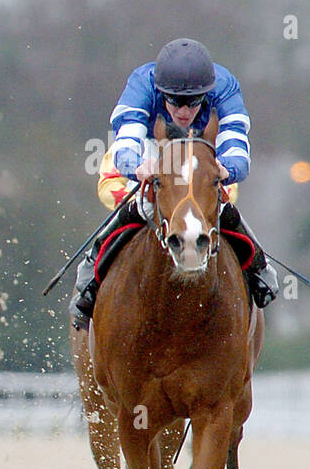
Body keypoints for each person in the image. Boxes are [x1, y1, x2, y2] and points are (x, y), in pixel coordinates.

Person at [70, 37, 277, 328]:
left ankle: (259, 266)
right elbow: (126, 143)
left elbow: (238, 154)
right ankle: (90, 275)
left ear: (207, 92)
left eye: (193, 102)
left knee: (217, 201)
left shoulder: (225, 87)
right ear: (160, 91)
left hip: (202, 157)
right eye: (175, 101)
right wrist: (138, 167)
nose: (183, 110)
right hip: (150, 151)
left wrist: (225, 170)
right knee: (142, 203)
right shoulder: (142, 83)